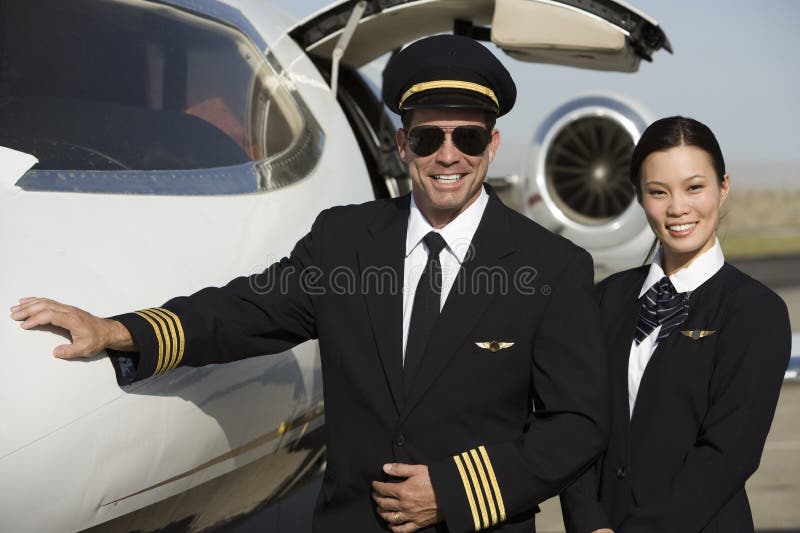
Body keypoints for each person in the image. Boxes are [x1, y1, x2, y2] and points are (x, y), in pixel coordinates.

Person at [11, 35, 608, 532]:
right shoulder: (345, 240)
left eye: (468, 137)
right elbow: (246, 311)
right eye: (428, 137)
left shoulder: (551, 268)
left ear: (492, 145)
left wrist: (454, 492)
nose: (448, 155)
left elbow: (578, 425)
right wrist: (117, 329)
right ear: (404, 144)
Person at [559, 116, 791, 533]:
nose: (678, 208)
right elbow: (576, 425)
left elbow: (728, 455)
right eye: (658, 192)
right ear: (639, 196)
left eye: (694, 187)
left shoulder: (756, 311)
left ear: (723, 188)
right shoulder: (604, 300)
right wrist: (587, 520)